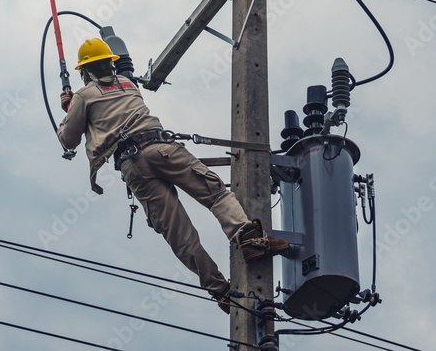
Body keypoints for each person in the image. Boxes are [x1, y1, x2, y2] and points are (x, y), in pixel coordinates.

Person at [57, 38, 288, 313]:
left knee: (179, 233)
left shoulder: (84, 95)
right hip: (160, 148)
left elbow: (69, 139)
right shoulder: (128, 84)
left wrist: (69, 110)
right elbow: (114, 98)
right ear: (111, 63)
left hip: (132, 165)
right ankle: (248, 239)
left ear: (85, 71)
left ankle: (221, 291)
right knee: (214, 193)